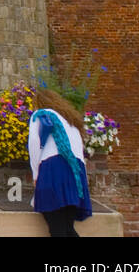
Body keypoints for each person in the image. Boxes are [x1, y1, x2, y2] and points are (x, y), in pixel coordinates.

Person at [28, 88, 92, 237]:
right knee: (67, 228)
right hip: (76, 175)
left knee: (57, 228)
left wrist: (36, 174)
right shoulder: (71, 121)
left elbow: (34, 144)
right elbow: (80, 152)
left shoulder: (40, 115)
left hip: (54, 170)